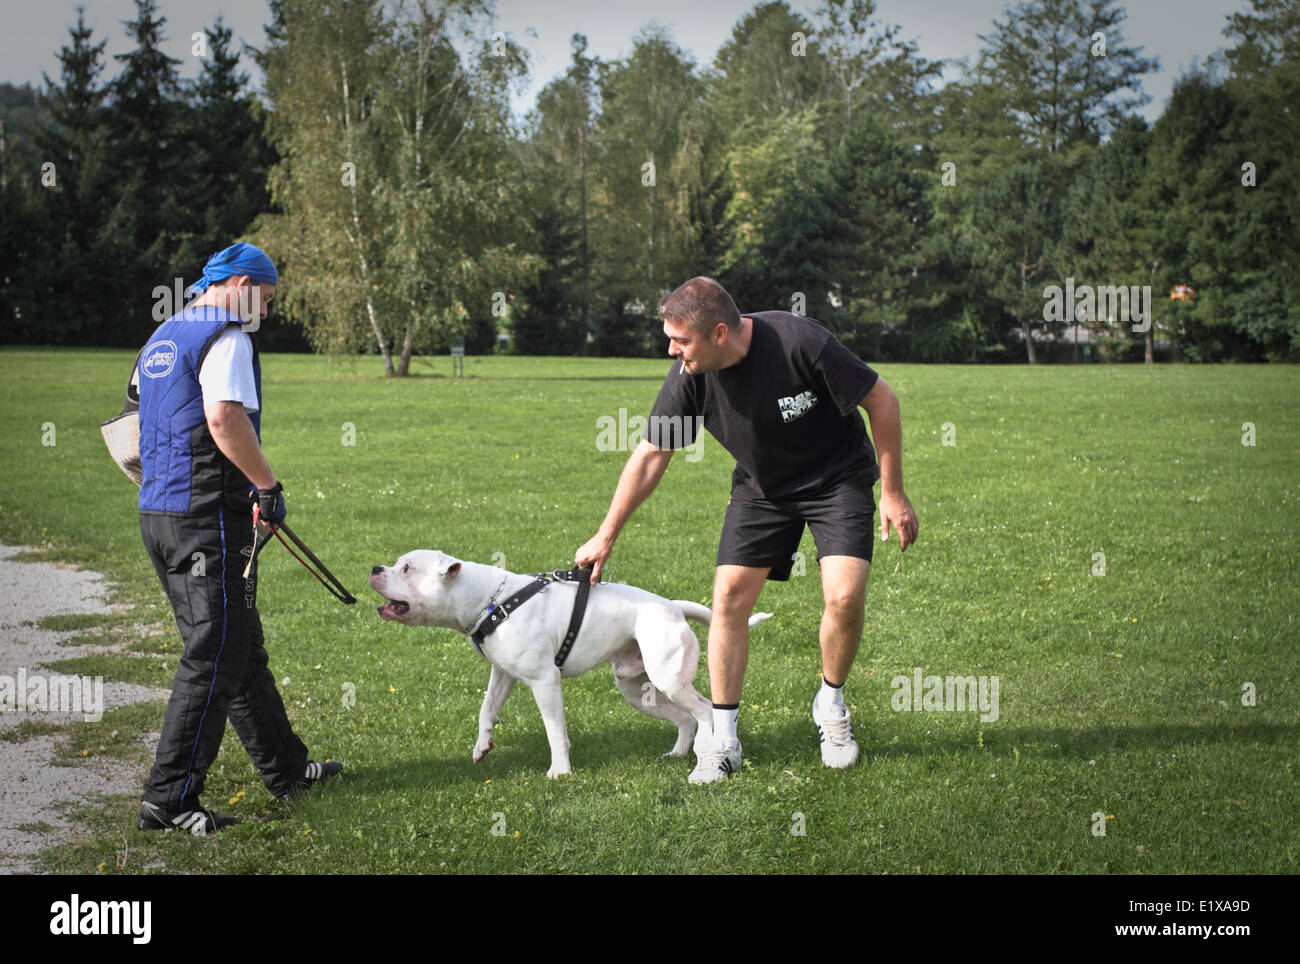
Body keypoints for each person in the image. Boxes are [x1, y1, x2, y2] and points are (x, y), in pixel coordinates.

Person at [575, 277, 917, 784]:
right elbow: (652, 454)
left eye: (681, 340)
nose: (672, 350)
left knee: (844, 596)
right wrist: (606, 533)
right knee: (730, 596)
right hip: (762, 490)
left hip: (837, 480)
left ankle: (831, 703)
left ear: (718, 333)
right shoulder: (689, 374)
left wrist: (891, 493)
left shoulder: (800, 343)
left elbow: (882, 401)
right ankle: (724, 738)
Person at [135, 242, 340, 834]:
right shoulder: (227, 336)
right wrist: (266, 488)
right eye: (266, 299)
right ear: (242, 284)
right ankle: (169, 800)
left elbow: (133, 422)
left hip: (162, 513)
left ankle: (289, 772)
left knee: (237, 647)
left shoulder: (166, 334)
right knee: (214, 654)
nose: (266, 313)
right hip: (205, 518)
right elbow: (223, 418)